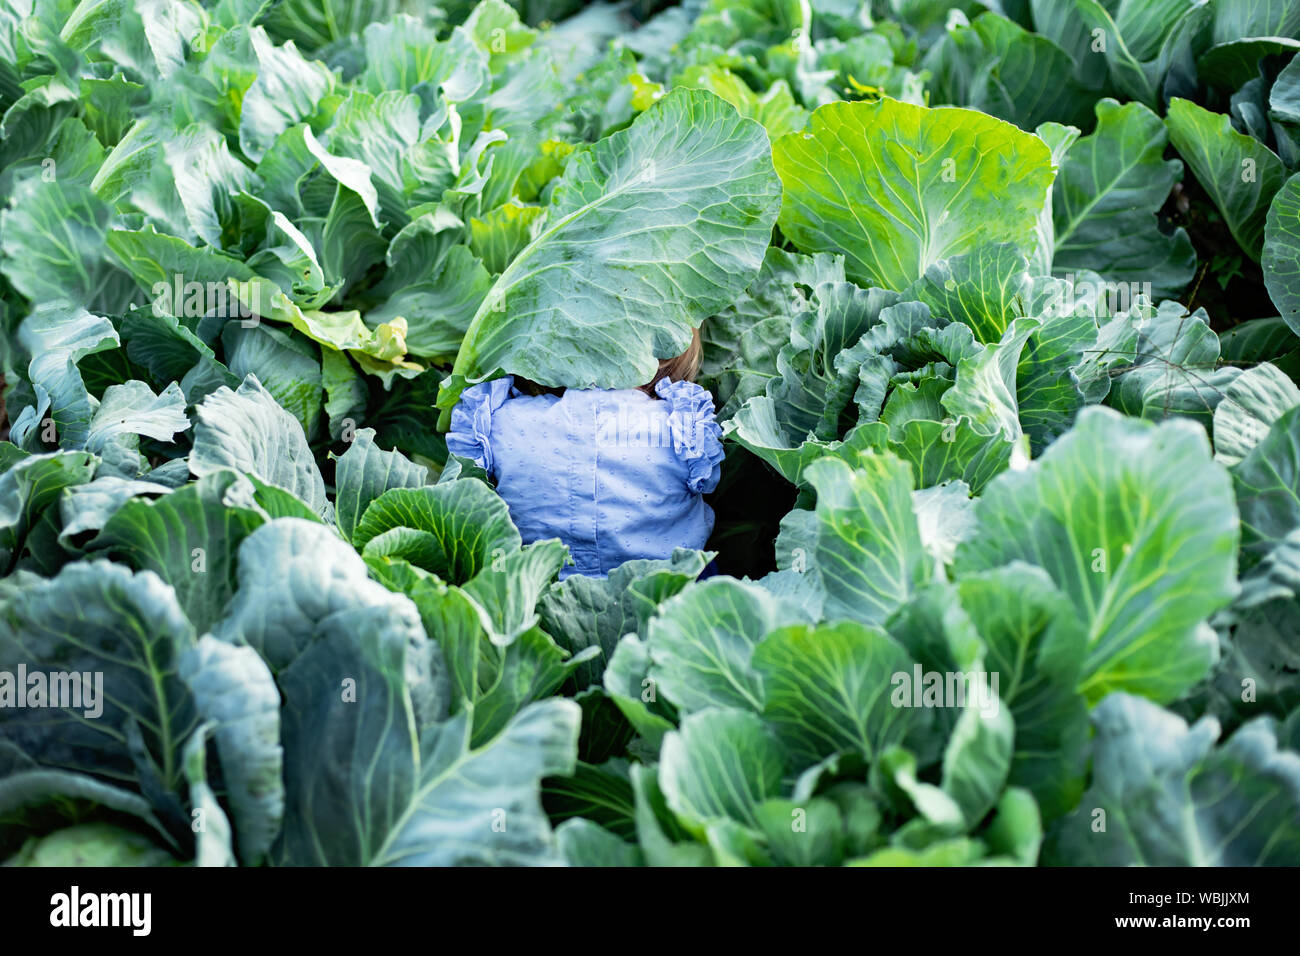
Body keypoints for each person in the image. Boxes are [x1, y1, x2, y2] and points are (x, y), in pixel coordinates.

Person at [445, 329, 724, 579]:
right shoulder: (682, 427)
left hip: (536, 612)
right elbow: (709, 483)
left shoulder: (498, 423)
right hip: (670, 611)